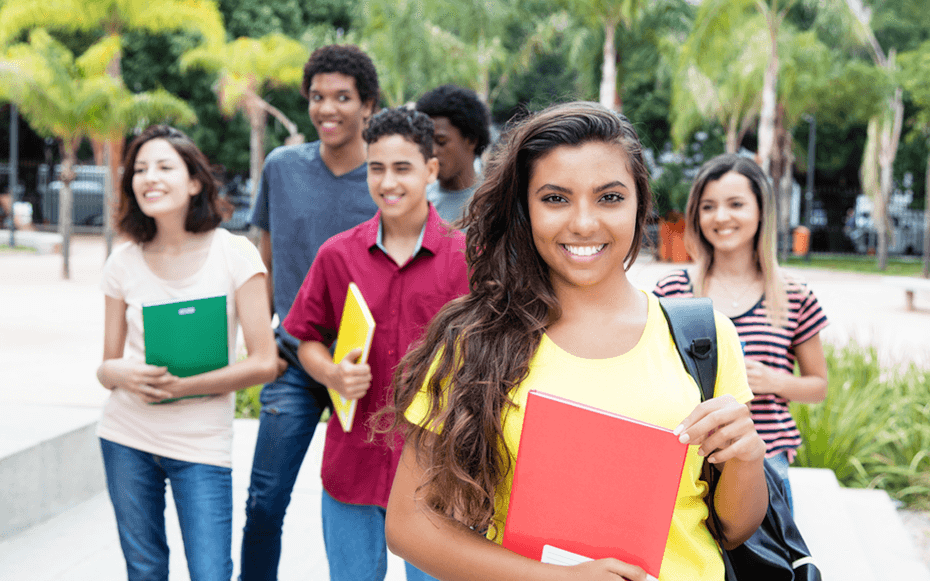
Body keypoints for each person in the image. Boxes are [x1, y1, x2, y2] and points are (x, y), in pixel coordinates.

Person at [383, 102, 768, 581]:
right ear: (524, 209)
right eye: (555, 198)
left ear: (639, 204)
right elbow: (408, 524)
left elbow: (734, 528)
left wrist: (748, 456)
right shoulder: (475, 341)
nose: (584, 223)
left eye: (609, 197)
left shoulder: (704, 339)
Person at [283, 107, 469, 581]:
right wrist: (330, 373)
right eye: (376, 167)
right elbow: (305, 337)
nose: (388, 181)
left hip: (437, 475)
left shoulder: (467, 259)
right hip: (352, 465)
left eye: (403, 168)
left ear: (431, 170)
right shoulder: (337, 255)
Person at [95, 125, 277, 581]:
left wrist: (184, 386)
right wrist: (125, 375)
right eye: (139, 169)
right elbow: (105, 366)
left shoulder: (235, 254)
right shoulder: (123, 260)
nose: (148, 177)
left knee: (211, 572)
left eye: (163, 166)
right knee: (145, 570)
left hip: (202, 444)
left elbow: (264, 362)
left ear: (194, 181)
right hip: (126, 436)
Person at [240, 44, 381, 580]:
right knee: (264, 503)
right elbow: (266, 264)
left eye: (342, 97)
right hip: (294, 360)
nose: (328, 109)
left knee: (372, 506)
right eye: (318, 97)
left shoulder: (385, 180)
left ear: (367, 105)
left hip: (367, 368)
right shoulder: (282, 167)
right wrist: (263, 343)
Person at [653, 153, 829, 512]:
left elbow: (818, 386)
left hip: (766, 464)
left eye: (736, 204)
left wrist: (773, 381)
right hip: (688, 459)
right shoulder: (672, 290)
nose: (721, 217)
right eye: (708, 206)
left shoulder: (794, 295)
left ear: (761, 211)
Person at [415, 84, 491, 225]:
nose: (432, 151)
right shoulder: (416, 203)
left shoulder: (493, 206)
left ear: (471, 140)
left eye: (441, 141)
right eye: (425, 141)